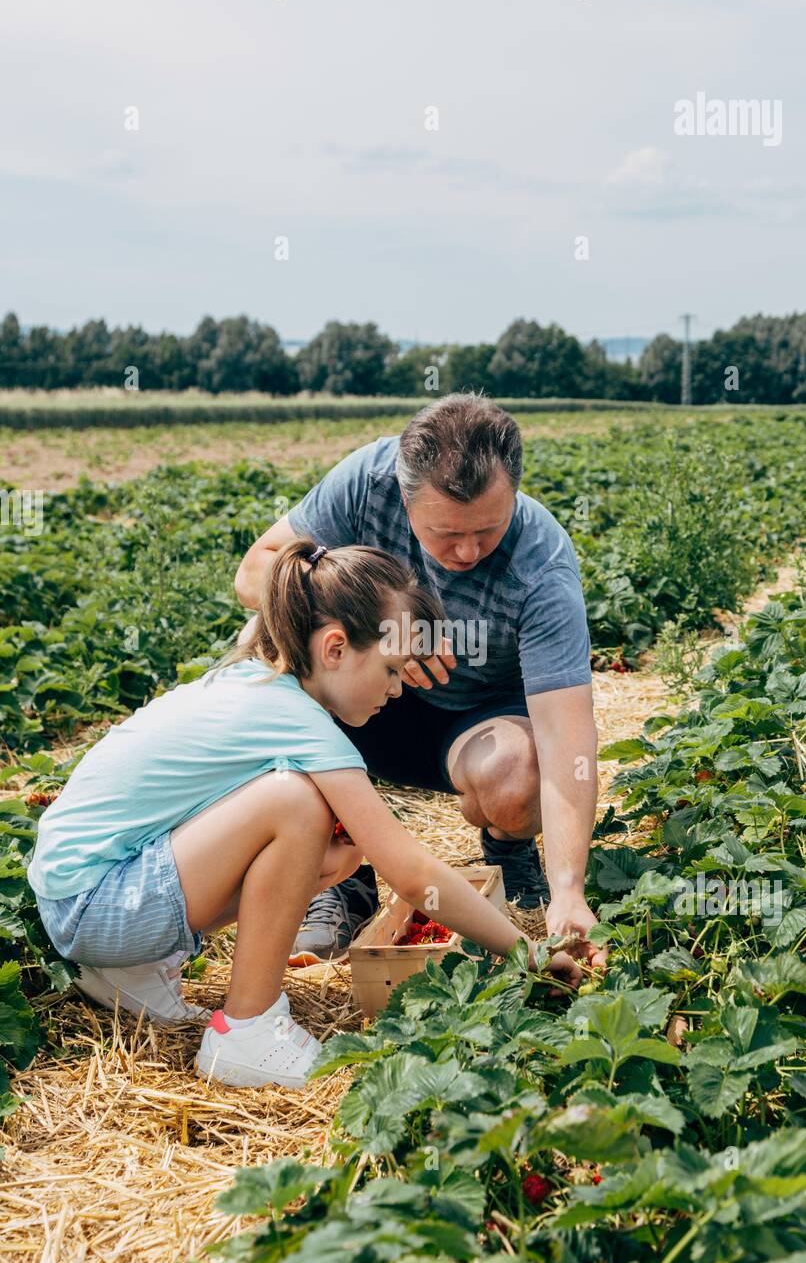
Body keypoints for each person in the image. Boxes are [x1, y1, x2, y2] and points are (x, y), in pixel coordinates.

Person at [26, 539, 589, 1090]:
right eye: (392, 670)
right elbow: (413, 875)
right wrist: (527, 952)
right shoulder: (297, 719)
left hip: (82, 893)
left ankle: (130, 972)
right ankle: (245, 1028)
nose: (397, 691)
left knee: (330, 845)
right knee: (296, 803)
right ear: (336, 649)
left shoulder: (255, 680)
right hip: (96, 909)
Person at [235, 391, 602, 967]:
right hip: (355, 705)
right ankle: (337, 876)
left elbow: (567, 737)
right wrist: (382, 630)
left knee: (517, 774)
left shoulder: (543, 564)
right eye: (445, 532)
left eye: (487, 529)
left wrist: (569, 891)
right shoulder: (366, 482)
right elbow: (256, 573)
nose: (467, 550)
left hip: (472, 717)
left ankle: (508, 850)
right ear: (404, 501)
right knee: (272, 639)